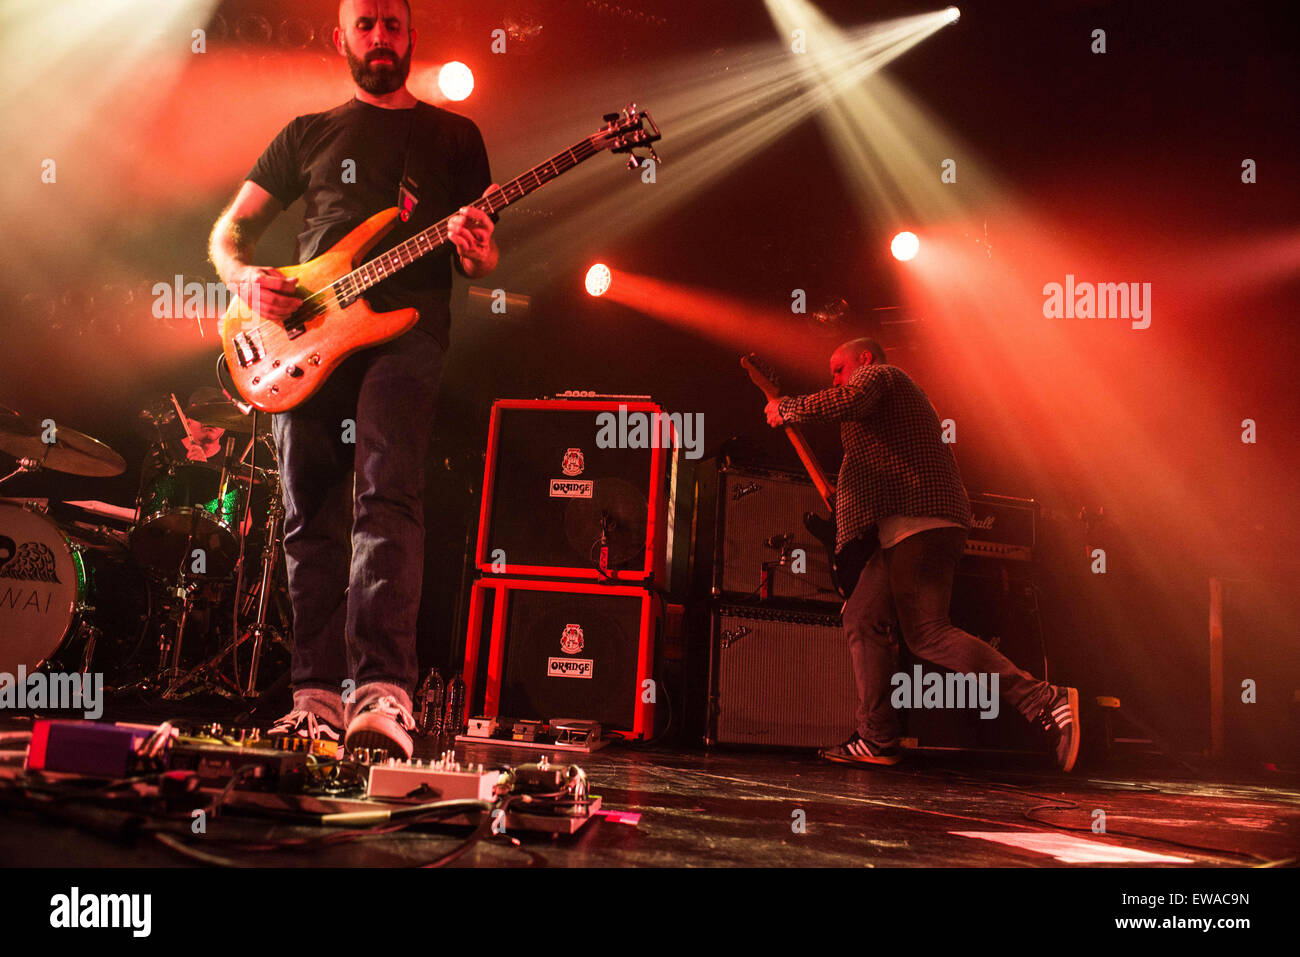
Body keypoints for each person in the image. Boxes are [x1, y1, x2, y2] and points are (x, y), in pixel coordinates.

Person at [208, 0, 500, 758]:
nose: (379, 38)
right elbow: (228, 232)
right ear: (339, 38)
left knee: (386, 495)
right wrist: (243, 279)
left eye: (392, 25)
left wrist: (474, 250)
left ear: (412, 36)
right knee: (310, 515)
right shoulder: (305, 132)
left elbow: (483, 257)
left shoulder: (453, 136)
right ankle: (313, 699)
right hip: (302, 338)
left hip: (406, 331)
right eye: (365, 24)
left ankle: (381, 696)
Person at [764, 338, 1081, 771]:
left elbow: (848, 398)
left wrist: (790, 407)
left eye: (838, 368)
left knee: (928, 634)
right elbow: (878, 463)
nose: (834, 378)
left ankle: (1043, 699)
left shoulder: (882, 377)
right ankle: (878, 738)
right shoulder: (882, 415)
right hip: (900, 531)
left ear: (865, 359)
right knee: (860, 616)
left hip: (925, 524)